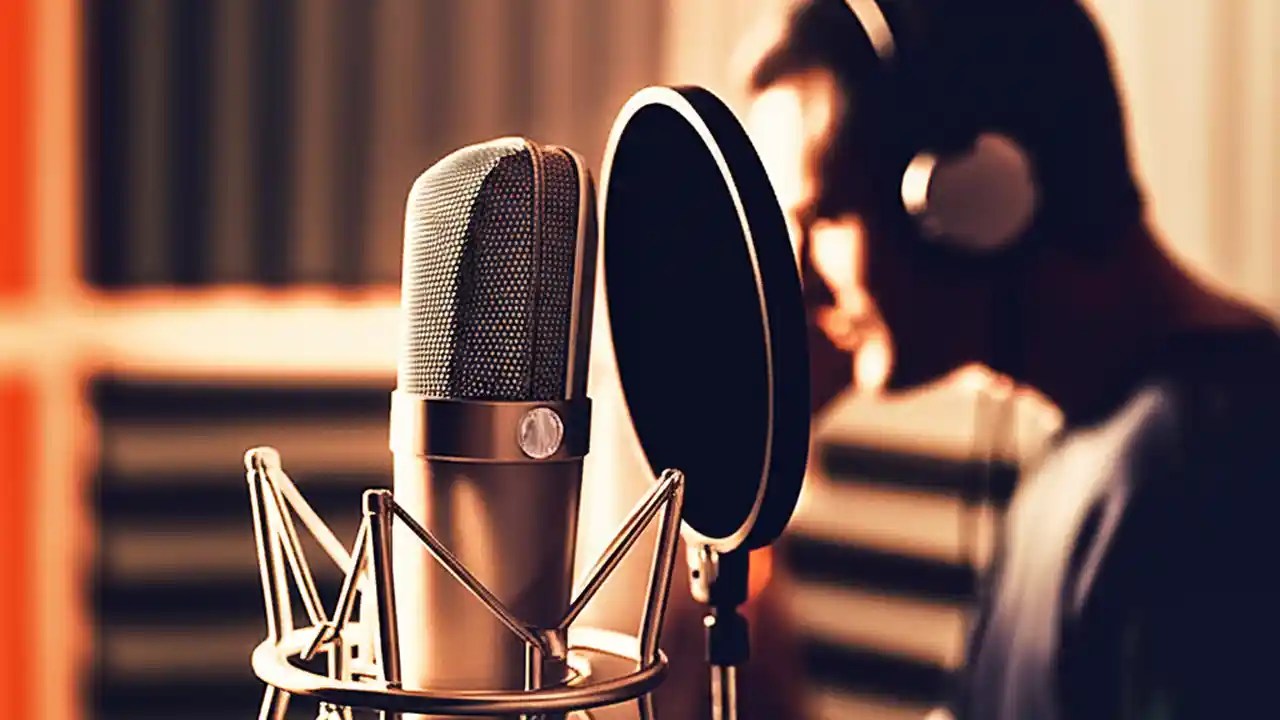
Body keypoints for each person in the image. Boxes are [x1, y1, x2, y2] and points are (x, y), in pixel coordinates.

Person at [736, 0, 1280, 718]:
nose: (803, 280)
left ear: (974, 193)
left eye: (825, 217)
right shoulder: (1109, 445)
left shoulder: (1203, 481)